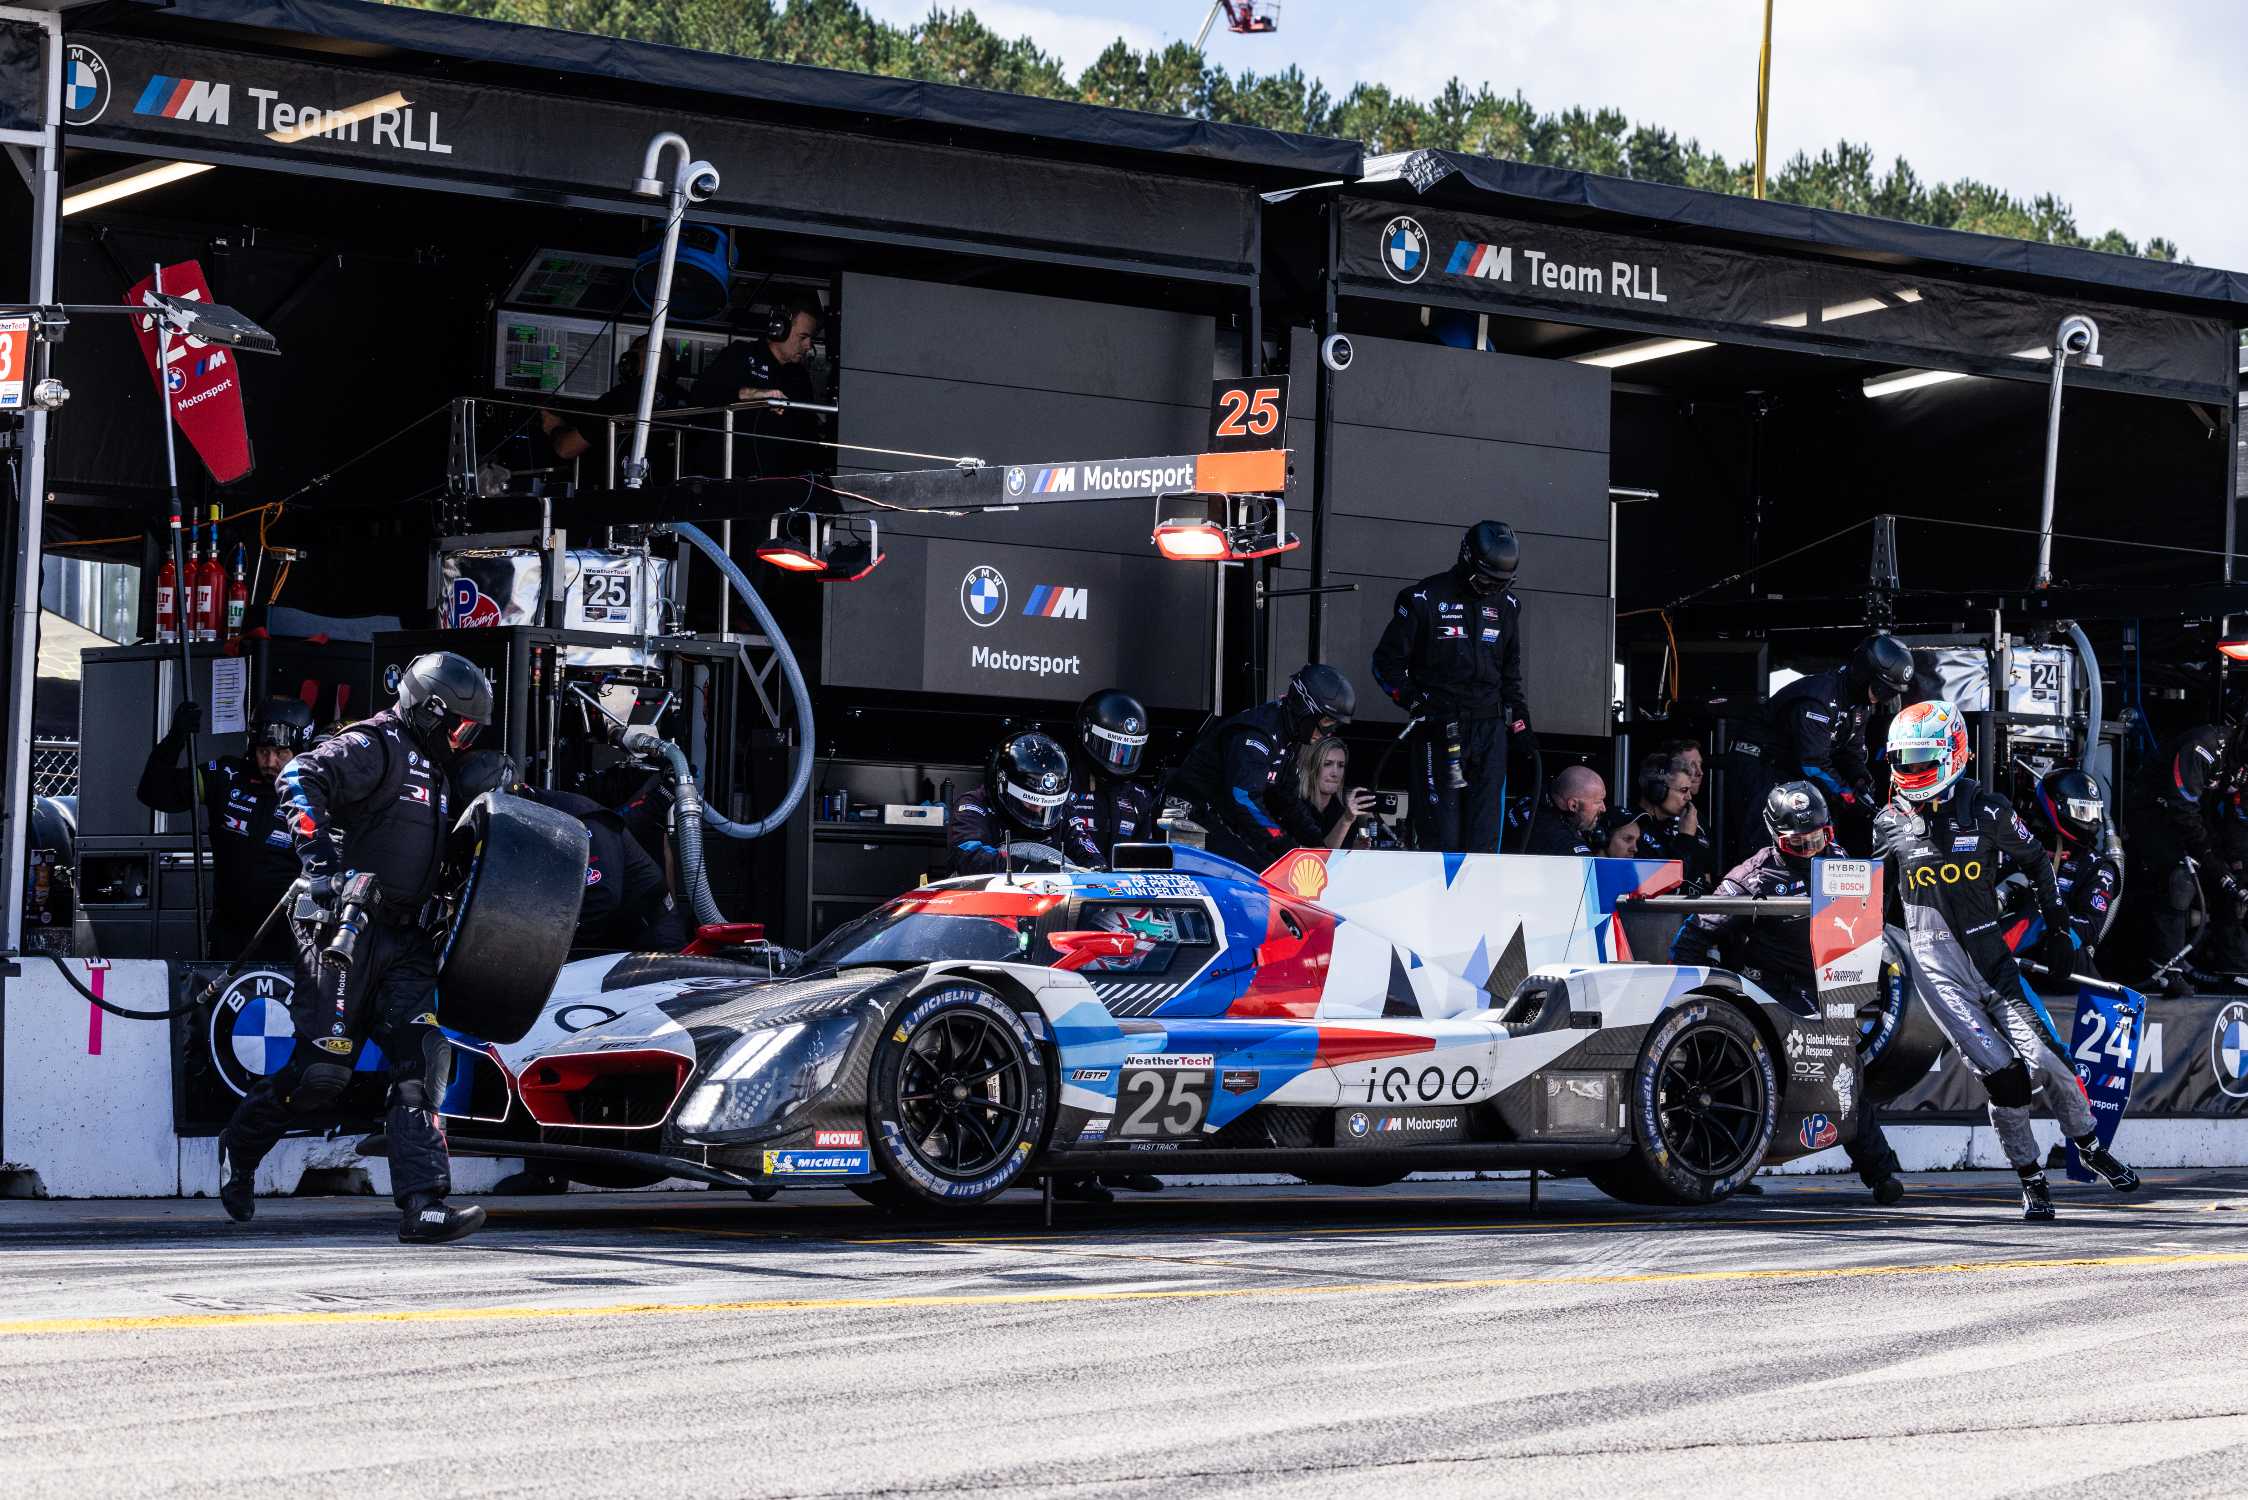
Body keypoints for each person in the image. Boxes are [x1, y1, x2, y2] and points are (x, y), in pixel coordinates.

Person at [217, 651, 494, 1243]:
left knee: (422, 1059)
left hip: (408, 940)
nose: (464, 740)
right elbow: (297, 778)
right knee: (323, 1074)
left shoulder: (443, 770)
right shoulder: (374, 744)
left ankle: (423, 1206)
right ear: (431, 710)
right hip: (342, 926)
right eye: (461, 726)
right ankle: (239, 1145)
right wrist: (319, 864)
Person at [1875, 699, 2139, 1220]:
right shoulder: (1887, 821)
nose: (1910, 771)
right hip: (1938, 973)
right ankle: (2031, 1177)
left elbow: (2038, 861)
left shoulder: (1988, 808)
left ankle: (2088, 1144)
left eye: (1922, 758)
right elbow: (1868, 894)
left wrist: (2061, 929)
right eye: (1902, 759)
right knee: (2007, 1079)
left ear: (1953, 752)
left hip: (1995, 961)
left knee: (2050, 1064)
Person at [1672, 781, 1903, 1205]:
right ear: (1775, 836)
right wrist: (1719, 994)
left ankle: (1882, 1172)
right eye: (1799, 842)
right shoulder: (1749, 877)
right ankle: (1732, 1163)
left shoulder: (1842, 866)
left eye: (1819, 837)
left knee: (1845, 1075)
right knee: (1746, 1082)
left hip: (1822, 988)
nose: (1812, 847)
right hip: (1763, 993)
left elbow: (1865, 933)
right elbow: (1688, 941)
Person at [1370, 520, 1530, 854]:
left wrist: (1521, 722)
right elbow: (1385, 664)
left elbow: (1510, 675)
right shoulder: (1422, 598)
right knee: (1441, 839)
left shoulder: (1508, 606)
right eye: (1486, 580)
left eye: (1501, 583)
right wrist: (1416, 703)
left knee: (1484, 840)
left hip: (1489, 731)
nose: (1492, 589)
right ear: (1468, 559)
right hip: (1439, 728)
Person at [137, 694, 316, 962]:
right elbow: (152, 791)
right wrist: (176, 738)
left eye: (281, 753)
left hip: (292, 939)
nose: (269, 762)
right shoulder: (225, 776)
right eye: (263, 751)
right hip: (230, 937)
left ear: (299, 751)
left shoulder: (316, 792)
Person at [454, 752, 687, 953]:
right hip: (609, 933)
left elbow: (602, 897)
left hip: (649, 931)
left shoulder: (576, 818)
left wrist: (548, 945)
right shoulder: (519, 823)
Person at [1720, 634, 1915, 864]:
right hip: (1759, 764)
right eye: (1884, 690)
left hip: (1791, 770)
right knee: (1766, 837)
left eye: (1892, 693)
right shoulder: (1818, 701)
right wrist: (1849, 796)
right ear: (1865, 676)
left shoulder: (1861, 707)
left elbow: (1850, 753)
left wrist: (1860, 780)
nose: (1884, 699)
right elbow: (1812, 765)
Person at [1167, 665, 1354, 869]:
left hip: (1219, 816)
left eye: (1334, 726)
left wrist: (1317, 843)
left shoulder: (1288, 738)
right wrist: (1282, 843)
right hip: (1185, 814)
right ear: (1305, 708)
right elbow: (1243, 796)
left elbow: (1287, 800)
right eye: (1327, 722)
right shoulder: (1257, 733)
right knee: (1258, 873)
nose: (1328, 732)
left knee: (1274, 868)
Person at [2127, 720, 2242, 996]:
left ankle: (2234, 968)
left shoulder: (2240, 763)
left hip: (2195, 817)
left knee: (2235, 877)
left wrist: (2234, 866)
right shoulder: (2203, 746)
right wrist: (2208, 857)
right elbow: (2181, 806)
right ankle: (2166, 970)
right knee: (2181, 877)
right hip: (2153, 811)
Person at [690, 296, 823, 478]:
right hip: (727, 477)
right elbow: (702, 394)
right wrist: (751, 394)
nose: (808, 345)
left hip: (779, 485)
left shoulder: (799, 378)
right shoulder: (740, 354)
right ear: (779, 328)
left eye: (810, 338)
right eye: (803, 337)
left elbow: (808, 434)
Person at [540, 336, 690, 479]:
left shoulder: (620, 397)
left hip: (622, 492)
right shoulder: (686, 399)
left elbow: (567, 448)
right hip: (671, 493)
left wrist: (555, 427)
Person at [2023, 768, 2122, 980]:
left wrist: (2048, 918)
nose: (2090, 821)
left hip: (2059, 958)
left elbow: (2089, 927)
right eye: (2081, 812)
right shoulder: (2020, 847)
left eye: (2092, 812)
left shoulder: (2097, 866)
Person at [1061, 690, 1163, 870]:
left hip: (1122, 892)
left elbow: (1148, 865)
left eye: (1128, 751)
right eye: (1113, 748)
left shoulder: (1139, 798)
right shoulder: (1062, 787)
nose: (1120, 758)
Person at [949, 731, 1076, 875]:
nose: (1040, 808)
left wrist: (1097, 870)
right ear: (1003, 788)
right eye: (1031, 802)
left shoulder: (1062, 811)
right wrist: (1028, 869)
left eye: (1048, 805)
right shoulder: (973, 806)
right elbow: (969, 857)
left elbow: (1089, 854)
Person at [1630, 754, 1717, 892]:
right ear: (1657, 791)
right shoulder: (1633, 829)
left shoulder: (1689, 824)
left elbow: (1704, 877)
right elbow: (1661, 886)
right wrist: (1685, 838)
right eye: (1683, 790)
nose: (1689, 797)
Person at [1297, 737, 1378, 849]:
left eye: (1340, 765)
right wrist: (1345, 820)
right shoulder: (1294, 809)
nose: (1335, 773)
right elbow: (1314, 860)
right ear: (1311, 767)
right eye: (1327, 764)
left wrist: (1352, 849)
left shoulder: (1343, 809)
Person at [1521, 764, 1607, 856]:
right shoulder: (1564, 844)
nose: (1603, 808)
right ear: (1573, 805)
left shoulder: (1538, 793)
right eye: (1598, 802)